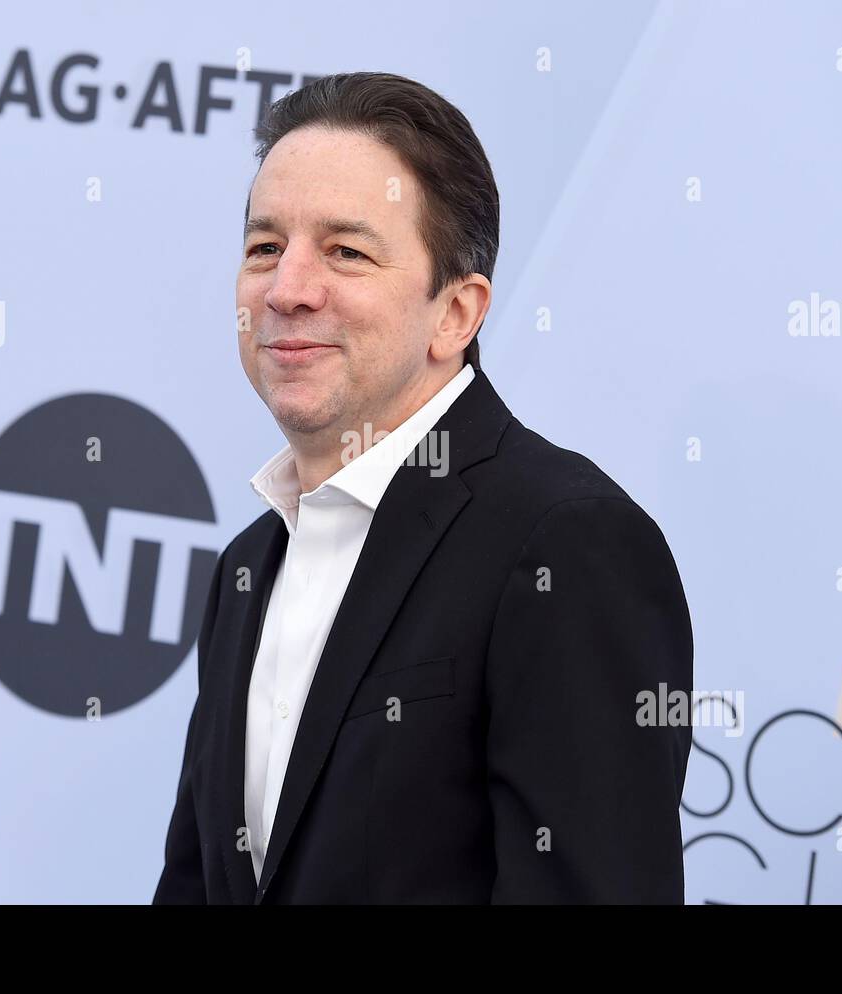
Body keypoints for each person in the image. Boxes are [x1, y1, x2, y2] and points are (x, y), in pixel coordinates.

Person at [154, 71, 692, 904]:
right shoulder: (245, 569)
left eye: (346, 251)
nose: (287, 289)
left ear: (456, 314)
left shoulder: (565, 545)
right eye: (266, 247)